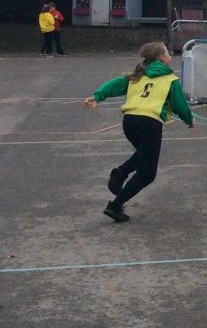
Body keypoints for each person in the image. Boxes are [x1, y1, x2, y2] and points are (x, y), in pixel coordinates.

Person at [83, 41, 195, 223]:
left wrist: (97, 96)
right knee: (147, 173)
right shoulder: (170, 80)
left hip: (129, 122)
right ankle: (116, 205)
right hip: (149, 123)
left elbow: (115, 84)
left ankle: (120, 173)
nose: (169, 55)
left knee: (144, 154)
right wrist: (189, 120)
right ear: (161, 58)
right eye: (167, 52)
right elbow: (180, 105)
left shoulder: (137, 76)